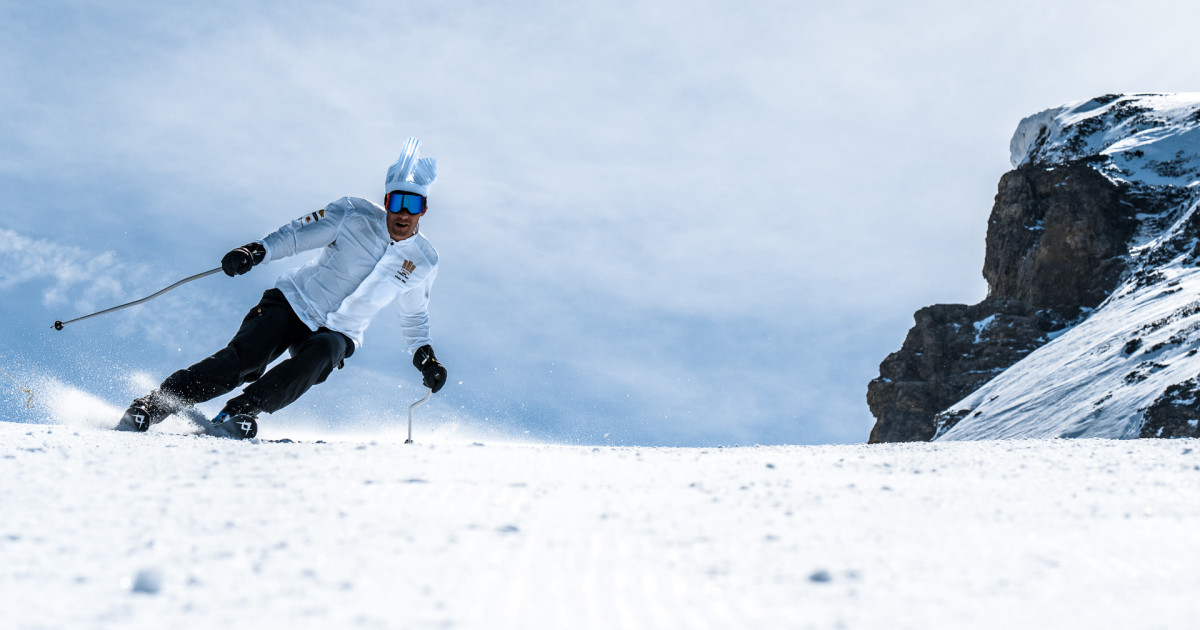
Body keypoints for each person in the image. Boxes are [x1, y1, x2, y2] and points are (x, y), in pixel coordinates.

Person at [118, 137, 448, 439]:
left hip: (338, 331)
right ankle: (155, 405)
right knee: (246, 360)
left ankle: (241, 412)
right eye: (396, 202)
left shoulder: (423, 261)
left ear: (425, 210)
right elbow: (296, 235)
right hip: (292, 302)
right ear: (387, 201)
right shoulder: (353, 213)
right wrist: (255, 250)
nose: (403, 213)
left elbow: (415, 318)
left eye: (413, 205)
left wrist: (426, 359)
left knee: (323, 353)